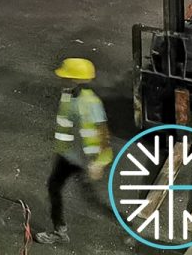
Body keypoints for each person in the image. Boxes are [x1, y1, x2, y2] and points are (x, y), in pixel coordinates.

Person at [34, 58, 112, 246]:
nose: (62, 79)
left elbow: (102, 132)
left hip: (83, 160)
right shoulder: (69, 95)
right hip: (68, 155)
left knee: (91, 198)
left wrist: (100, 161)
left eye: (66, 76)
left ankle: (124, 223)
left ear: (75, 80)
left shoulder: (90, 103)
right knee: (54, 186)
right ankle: (59, 232)